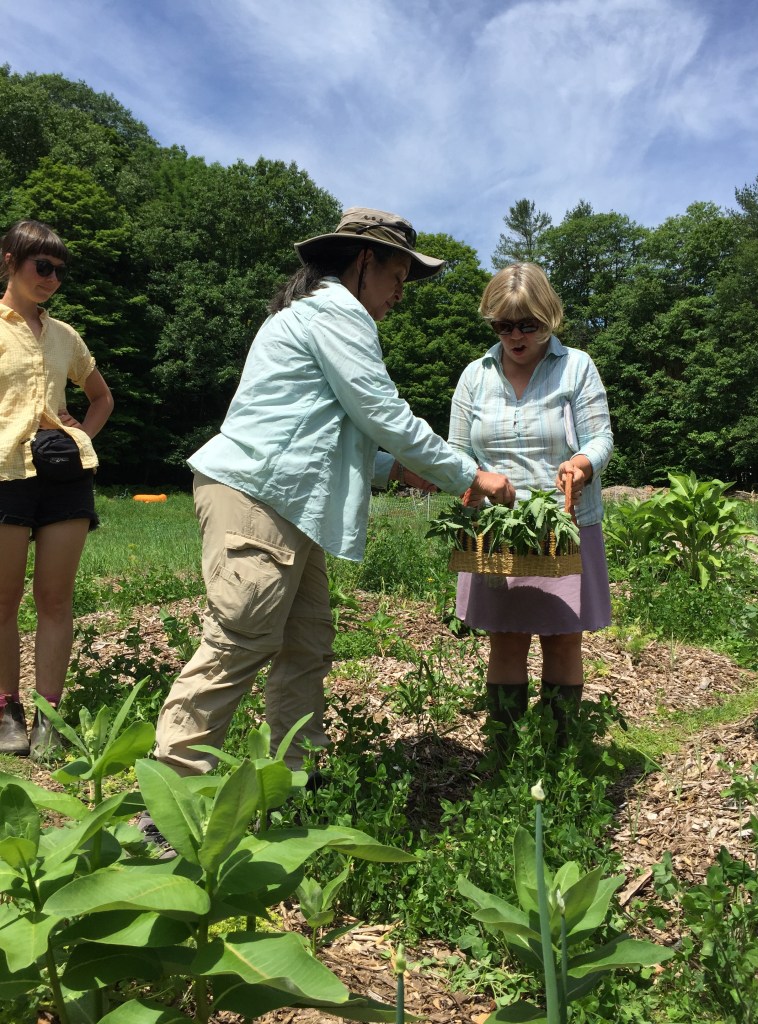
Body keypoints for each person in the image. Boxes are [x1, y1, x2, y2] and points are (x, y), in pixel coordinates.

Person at [152, 207, 515, 787]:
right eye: (398, 277)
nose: (400, 293)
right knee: (241, 637)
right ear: (364, 261)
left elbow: (333, 437)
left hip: (290, 504)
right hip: (259, 496)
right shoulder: (336, 314)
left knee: (305, 642)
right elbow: (382, 412)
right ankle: (171, 794)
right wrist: (468, 474)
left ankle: (297, 778)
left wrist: (400, 471)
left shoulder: (320, 317)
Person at [449, 262, 613, 747]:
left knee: (563, 637)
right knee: (507, 636)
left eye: (528, 324)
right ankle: (505, 752)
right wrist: (470, 478)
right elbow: (456, 449)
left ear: (549, 317)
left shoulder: (576, 367)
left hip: (564, 521)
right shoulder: (475, 376)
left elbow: (601, 436)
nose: (515, 335)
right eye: (503, 324)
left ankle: (557, 755)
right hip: (499, 527)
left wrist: (581, 463)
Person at [0, 220, 114, 759]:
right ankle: (6, 710)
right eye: (41, 266)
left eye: (59, 270)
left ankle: (47, 714)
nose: (51, 278)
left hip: (65, 480)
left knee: (55, 599)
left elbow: (101, 398)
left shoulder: (66, 335)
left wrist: (79, 437)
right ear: (10, 260)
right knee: (2, 601)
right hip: (4, 475)